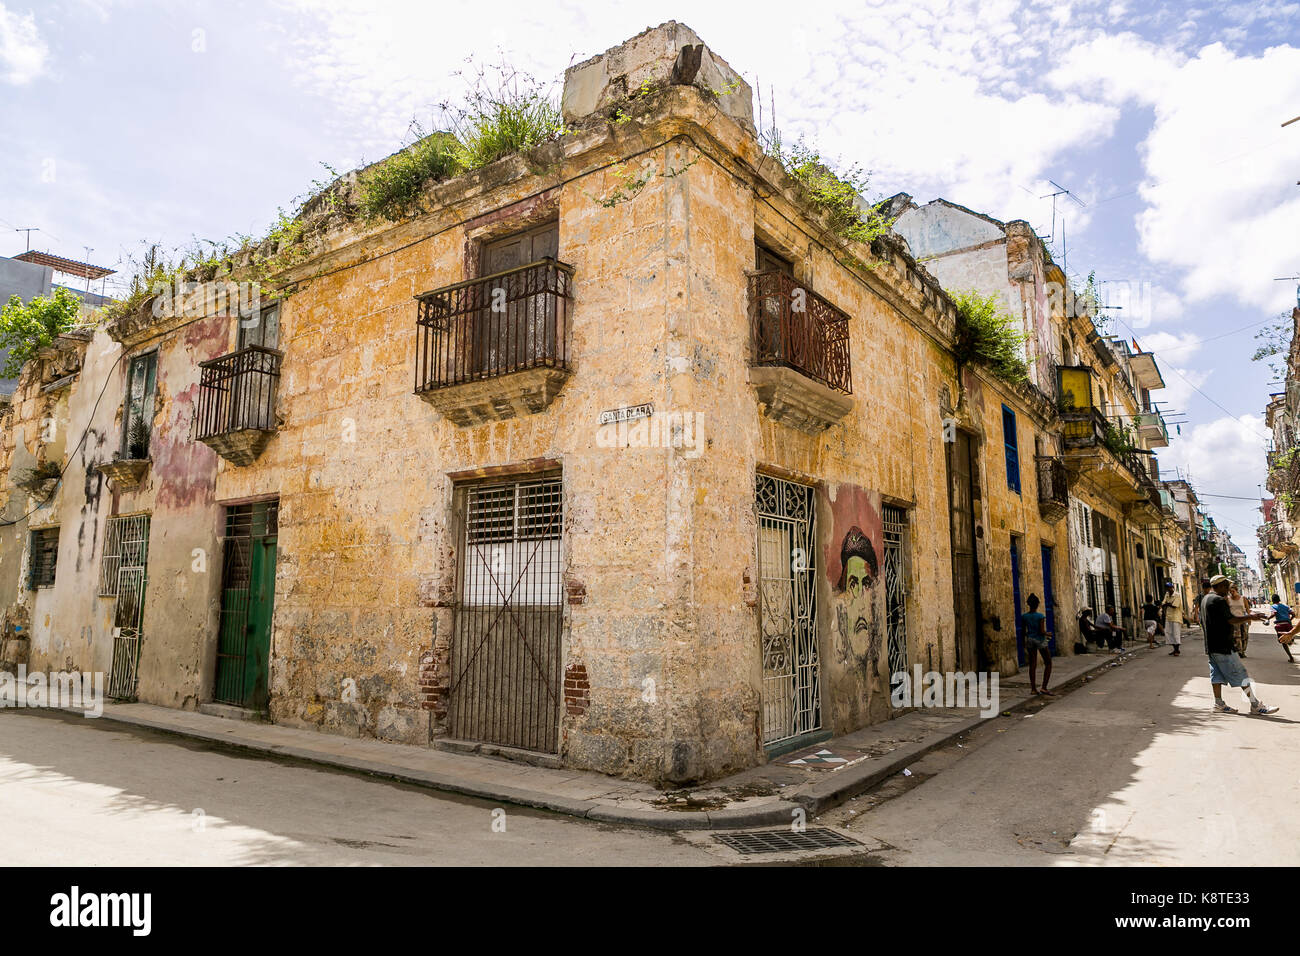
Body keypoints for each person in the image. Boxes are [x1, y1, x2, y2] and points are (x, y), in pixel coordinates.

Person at [1201, 574, 1276, 714]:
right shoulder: (1218, 600)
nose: (1228, 589)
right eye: (1226, 586)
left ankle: (1218, 703)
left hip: (1211, 646)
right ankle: (1255, 705)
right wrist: (1252, 617)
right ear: (1220, 586)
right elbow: (1231, 619)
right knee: (1241, 674)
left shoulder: (1206, 599)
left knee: (1216, 675)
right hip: (1223, 646)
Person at [1021, 593, 1053, 696]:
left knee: (1032, 664)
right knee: (1048, 662)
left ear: (1028, 604)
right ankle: (1044, 687)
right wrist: (1048, 633)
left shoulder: (1024, 617)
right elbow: (1042, 631)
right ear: (1038, 604)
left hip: (1030, 639)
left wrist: (1023, 642)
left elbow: (1023, 631)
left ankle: (1033, 689)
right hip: (1040, 640)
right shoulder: (1040, 616)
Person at [1266, 593, 1296, 663]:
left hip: (1280, 626)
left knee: (1282, 642)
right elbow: (1293, 614)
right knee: (1290, 636)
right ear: (1279, 599)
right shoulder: (1285, 606)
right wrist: (1289, 620)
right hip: (1288, 624)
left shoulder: (1273, 606)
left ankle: (1291, 657)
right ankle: (1290, 640)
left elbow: (1274, 613)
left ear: (1272, 600)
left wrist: (1268, 618)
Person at [1161, 581, 1183, 657]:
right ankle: (1175, 649)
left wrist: (1167, 604)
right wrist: (1167, 604)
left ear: (1172, 587)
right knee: (1168, 633)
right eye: (1167, 587)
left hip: (1176, 617)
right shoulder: (1167, 595)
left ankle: (1177, 650)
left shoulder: (1177, 595)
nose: (1168, 589)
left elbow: (1175, 605)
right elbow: (1163, 603)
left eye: (1170, 587)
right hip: (1168, 616)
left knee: (1176, 633)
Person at [1227, 584, 1250, 657]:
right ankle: (1239, 651)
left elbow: (1247, 609)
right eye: (1230, 592)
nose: (1232, 593)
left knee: (1245, 636)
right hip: (1234, 620)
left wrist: (1249, 618)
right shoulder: (1228, 599)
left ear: (1236, 591)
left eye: (1233, 591)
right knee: (1237, 637)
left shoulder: (1243, 598)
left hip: (1243, 619)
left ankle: (1243, 650)